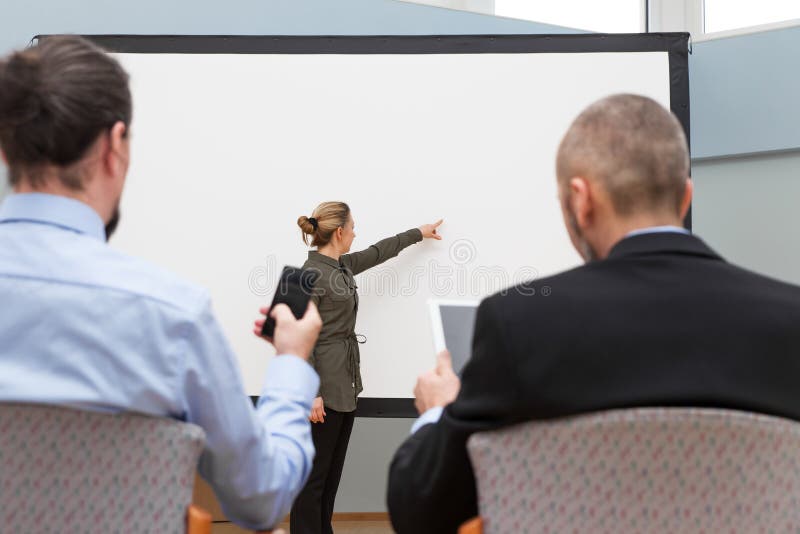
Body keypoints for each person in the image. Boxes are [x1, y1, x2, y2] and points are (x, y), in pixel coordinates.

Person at [387, 93, 800, 533]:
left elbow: (422, 510)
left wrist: (440, 411)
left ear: (581, 200)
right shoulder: (790, 322)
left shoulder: (519, 324)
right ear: (686, 197)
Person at [0, 35, 321, 532]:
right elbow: (260, 497)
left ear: (6, 147)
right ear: (113, 146)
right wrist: (291, 365)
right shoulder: (174, 316)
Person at [289, 201, 442, 534]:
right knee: (313, 478)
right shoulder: (304, 275)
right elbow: (293, 339)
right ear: (340, 232)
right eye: (353, 227)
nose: (356, 233)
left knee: (330, 476)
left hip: (346, 383)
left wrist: (418, 233)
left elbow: (378, 252)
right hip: (321, 390)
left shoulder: (341, 266)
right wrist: (311, 393)